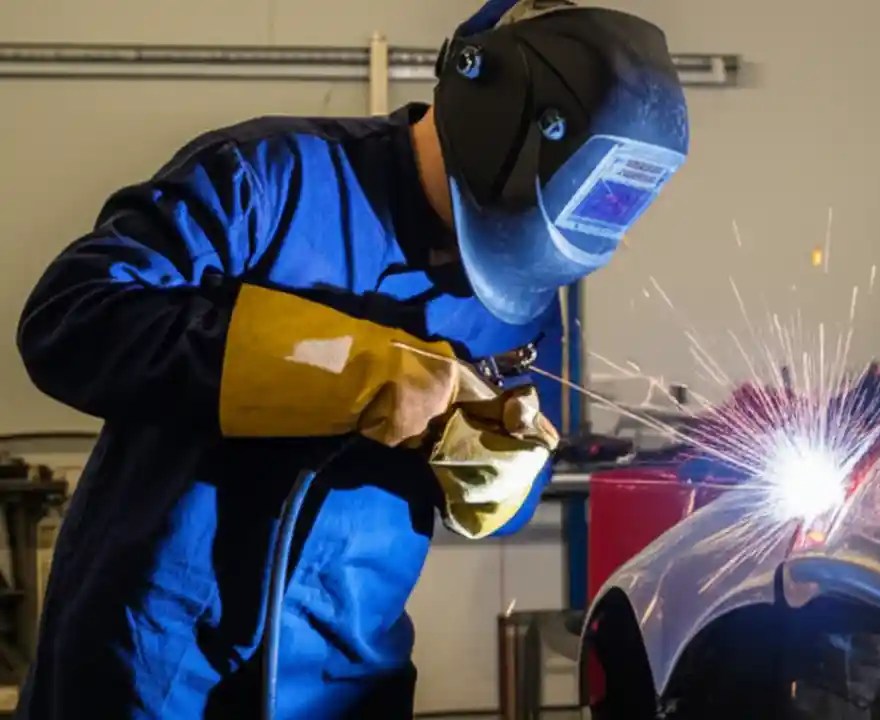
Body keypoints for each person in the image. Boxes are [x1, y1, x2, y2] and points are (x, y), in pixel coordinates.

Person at [14, 0, 689, 716]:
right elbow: (69, 319)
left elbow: (523, 469)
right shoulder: (271, 179)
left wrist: (498, 473)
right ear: (493, 102)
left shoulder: (520, 288)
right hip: (146, 672)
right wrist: (349, 368)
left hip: (345, 685)